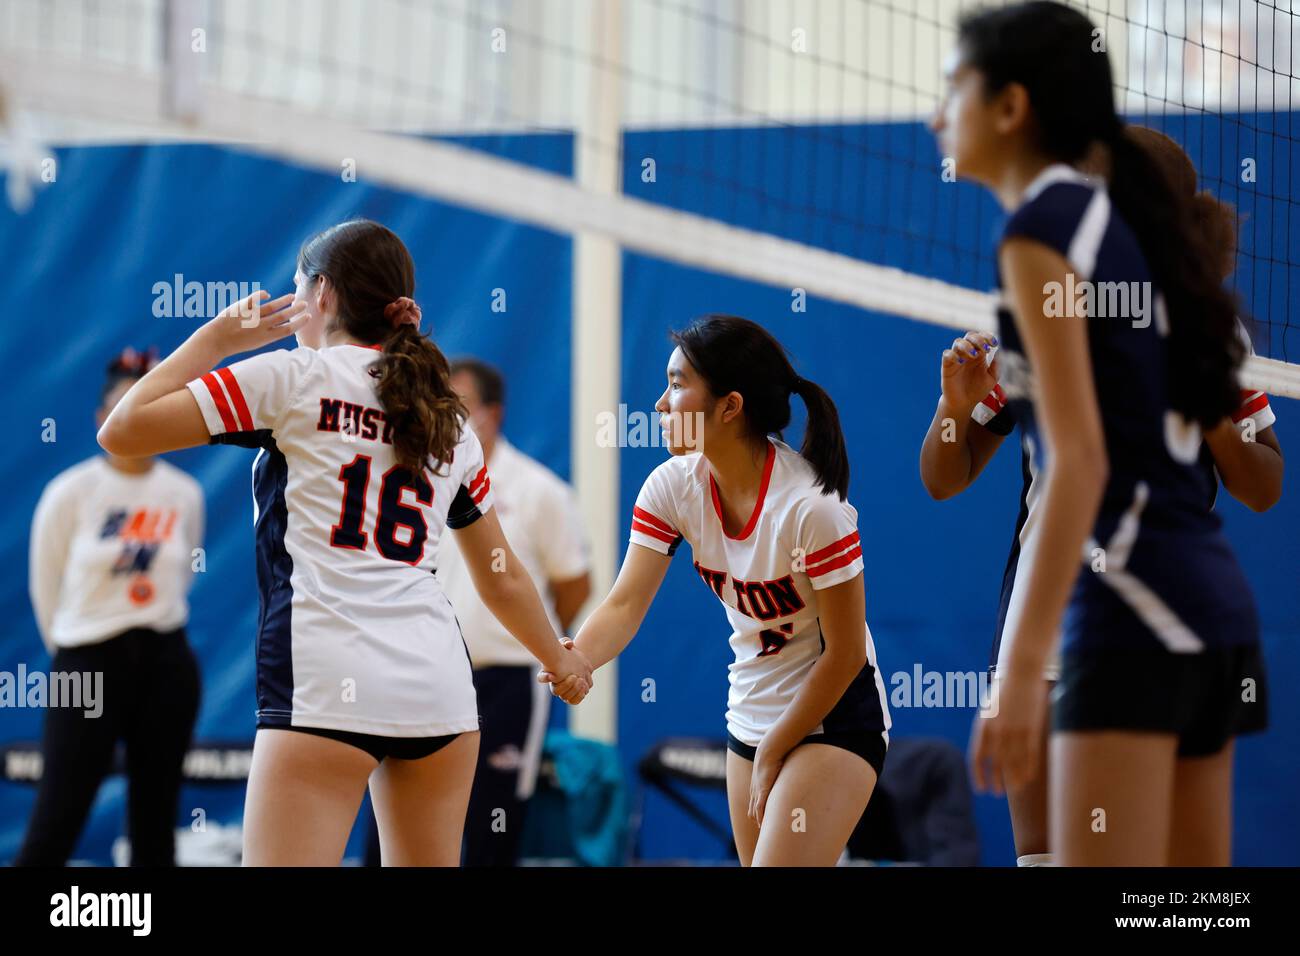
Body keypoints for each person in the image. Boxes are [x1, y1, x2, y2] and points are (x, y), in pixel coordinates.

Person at [98, 219, 592, 865]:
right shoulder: (445, 418)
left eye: (298, 285)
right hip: (437, 689)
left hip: (326, 681)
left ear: (322, 292)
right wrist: (561, 662)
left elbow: (122, 430)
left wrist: (217, 337)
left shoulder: (291, 377)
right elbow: (502, 575)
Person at [933, 1, 1268, 865]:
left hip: (1127, 606)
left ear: (1012, 110)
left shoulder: (1045, 231)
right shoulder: (1125, 244)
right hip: (1209, 603)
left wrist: (1018, 671)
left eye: (955, 85)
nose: (938, 112)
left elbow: (1079, 460)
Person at [543, 314, 890, 866]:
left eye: (678, 385)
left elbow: (846, 655)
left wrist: (779, 743)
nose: (659, 404)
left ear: (730, 406)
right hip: (748, 713)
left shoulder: (812, 511)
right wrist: (581, 655)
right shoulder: (672, 487)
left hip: (832, 717)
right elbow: (625, 603)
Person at [18, 347, 203, 866]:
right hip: (86, 663)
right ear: (103, 419)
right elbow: (45, 587)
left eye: (149, 409)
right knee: (58, 814)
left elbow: (183, 571)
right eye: (124, 409)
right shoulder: (71, 492)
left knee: (155, 823)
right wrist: (77, 649)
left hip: (167, 663)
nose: (135, 422)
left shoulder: (184, 493)